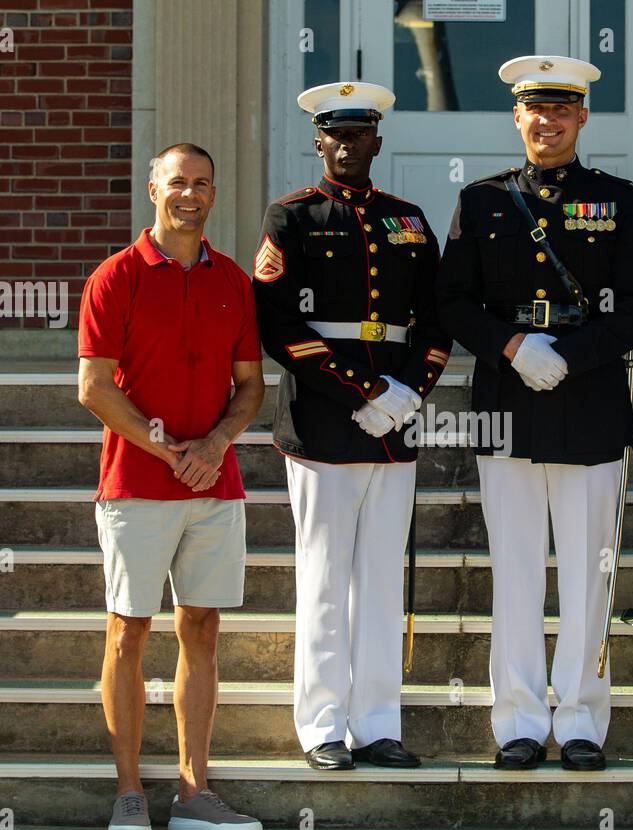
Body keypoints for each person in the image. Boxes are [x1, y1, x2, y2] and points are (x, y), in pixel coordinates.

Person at [436, 56, 633, 771]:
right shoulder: (481, 202)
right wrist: (512, 345)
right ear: (517, 117)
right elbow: (447, 302)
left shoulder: (619, 199)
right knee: (515, 570)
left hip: (590, 398)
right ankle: (518, 723)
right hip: (508, 400)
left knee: (588, 574)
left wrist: (575, 353)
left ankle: (583, 721)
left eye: (562, 109)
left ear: (582, 118)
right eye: (535, 110)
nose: (547, 121)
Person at [252, 82, 451, 771]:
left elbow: (436, 320)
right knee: (326, 579)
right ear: (318, 141)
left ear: (377, 142)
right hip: (323, 421)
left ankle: (377, 725)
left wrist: (406, 394)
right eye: (335, 134)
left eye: (359, 134)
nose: (346, 145)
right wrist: (363, 391)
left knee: (379, 581)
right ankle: (322, 727)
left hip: (394, 424)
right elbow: (278, 324)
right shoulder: (291, 219)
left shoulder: (410, 221)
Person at [78, 143, 266, 830]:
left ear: (214, 195)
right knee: (129, 631)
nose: (191, 194)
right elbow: (92, 388)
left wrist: (214, 445)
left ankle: (194, 792)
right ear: (153, 187)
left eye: (203, 184)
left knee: (204, 629)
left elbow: (250, 386)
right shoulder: (116, 277)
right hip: (135, 485)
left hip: (216, 485)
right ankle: (130, 791)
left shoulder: (235, 281)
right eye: (178, 182)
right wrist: (167, 449)